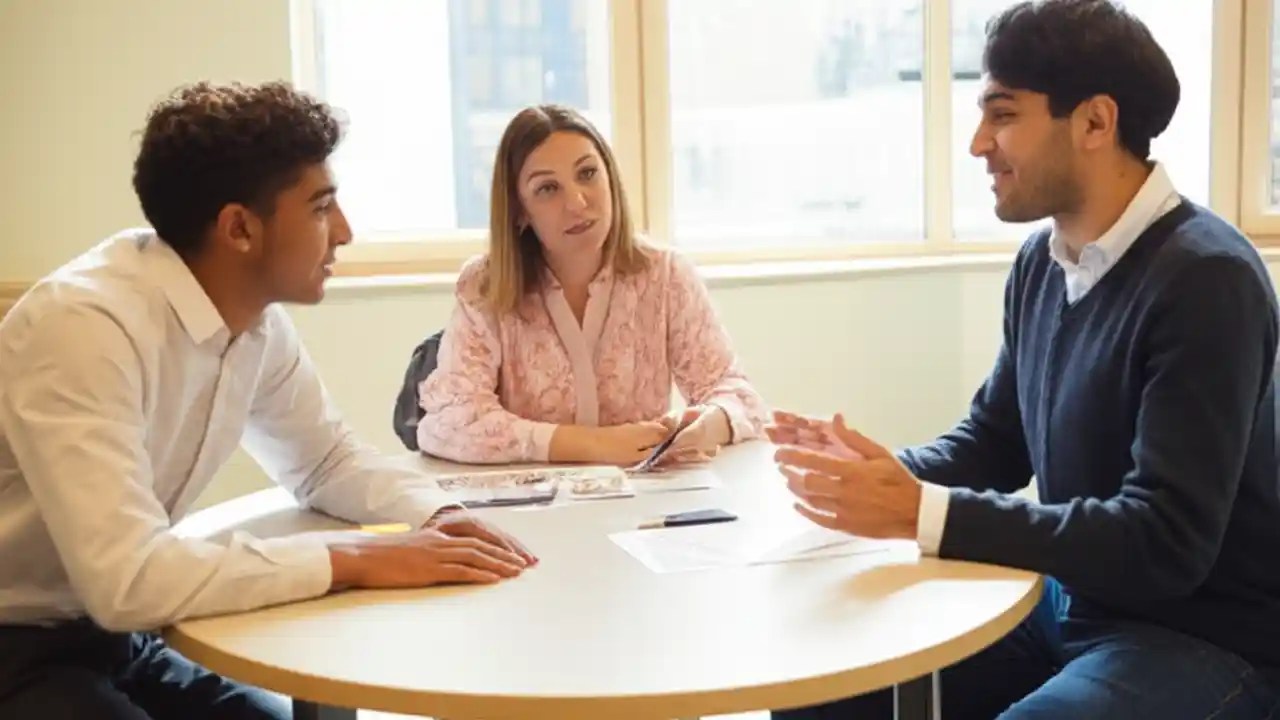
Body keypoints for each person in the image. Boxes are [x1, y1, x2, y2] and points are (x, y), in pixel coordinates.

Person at [768, 1, 1280, 718]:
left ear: (1096, 123)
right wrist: (877, 477)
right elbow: (997, 441)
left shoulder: (1207, 279)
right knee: (826, 679)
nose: (979, 143)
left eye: (1003, 115)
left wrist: (920, 511)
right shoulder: (1043, 262)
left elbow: (1165, 542)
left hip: (1200, 635)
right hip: (1070, 600)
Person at [0, 81, 536, 720]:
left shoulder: (252, 321)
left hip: (119, 636)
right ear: (239, 229)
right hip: (17, 638)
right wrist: (358, 559)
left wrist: (436, 515)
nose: (344, 232)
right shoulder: (83, 325)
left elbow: (325, 461)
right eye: (320, 208)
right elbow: (128, 579)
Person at [415, 104, 768, 467]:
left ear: (610, 178)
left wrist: (710, 424)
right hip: (529, 513)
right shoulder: (485, 287)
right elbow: (448, 423)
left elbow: (739, 395)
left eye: (587, 174)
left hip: (642, 506)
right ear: (519, 210)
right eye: (548, 188)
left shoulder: (666, 275)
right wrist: (592, 445)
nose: (577, 202)